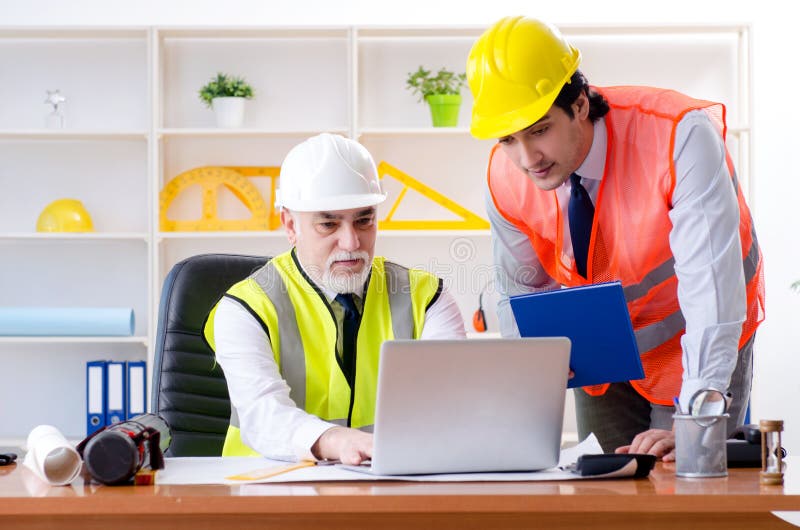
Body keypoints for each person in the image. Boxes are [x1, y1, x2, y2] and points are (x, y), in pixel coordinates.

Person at [466, 16, 764, 459]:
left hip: (695, 335)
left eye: (539, 129)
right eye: (508, 138)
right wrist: (526, 395)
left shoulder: (676, 138)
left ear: (580, 104)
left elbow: (712, 292)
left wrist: (699, 414)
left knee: (685, 477)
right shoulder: (505, 177)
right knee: (604, 492)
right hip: (600, 348)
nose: (527, 158)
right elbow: (522, 296)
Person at [204, 133, 466, 465]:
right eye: (328, 224)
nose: (351, 242)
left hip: (393, 491)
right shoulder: (245, 308)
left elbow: (453, 408)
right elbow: (262, 414)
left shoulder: (427, 298)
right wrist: (334, 441)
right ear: (290, 225)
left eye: (364, 219)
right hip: (267, 494)